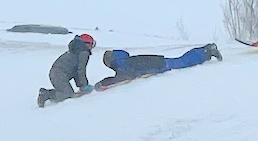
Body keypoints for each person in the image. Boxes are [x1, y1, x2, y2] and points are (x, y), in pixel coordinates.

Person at [95, 43, 223, 89]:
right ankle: (205, 50)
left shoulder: (123, 64)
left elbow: (123, 77)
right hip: (157, 62)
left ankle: (207, 51)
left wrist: (103, 83)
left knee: (184, 62)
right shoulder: (125, 61)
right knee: (182, 60)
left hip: (159, 65)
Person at [37, 34, 97, 107]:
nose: (91, 47)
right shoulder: (83, 53)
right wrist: (84, 86)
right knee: (67, 95)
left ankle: (46, 93)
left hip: (55, 72)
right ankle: (46, 95)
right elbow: (81, 70)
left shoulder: (76, 50)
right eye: (91, 44)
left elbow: (76, 71)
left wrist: (81, 85)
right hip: (59, 74)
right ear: (86, 43)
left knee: (66, 92)